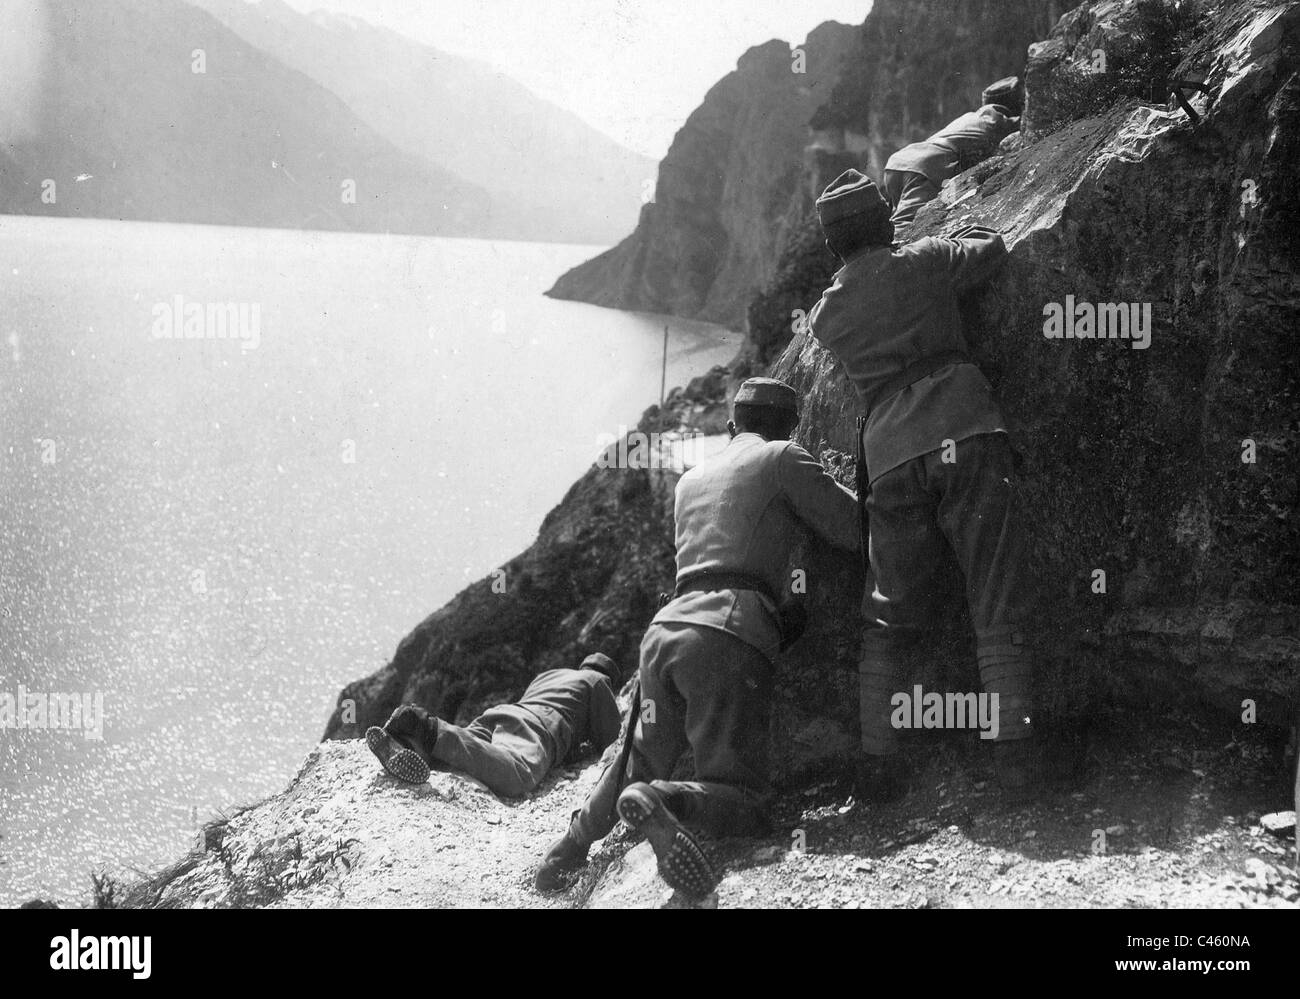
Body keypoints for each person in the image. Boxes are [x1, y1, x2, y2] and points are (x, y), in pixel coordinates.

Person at [535, 378, 860, 897]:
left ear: (732, 425)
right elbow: (851, 528)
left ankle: (565, 851)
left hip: (664, 635)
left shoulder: (691, 478)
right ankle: (667, 799)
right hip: (727, 631)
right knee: (745, 797)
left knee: (637, 754)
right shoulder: (783, 456)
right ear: (788, 427)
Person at [808, 168, 1039, 803]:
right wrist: (969, 228)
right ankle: (1014, 756)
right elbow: (991, 251)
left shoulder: (828, 316)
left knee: (887, 608)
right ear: (884, 223)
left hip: (889, 453)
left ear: (833, 245)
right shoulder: (928, 260)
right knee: (995, 587)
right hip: (963, 426)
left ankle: (880, 763)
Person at [365, 652, 622, 797]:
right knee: (517, 774)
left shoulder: (553, 673)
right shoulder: (598, 682)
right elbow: (612, 739)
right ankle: (424, 726)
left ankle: (408, 741)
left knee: (462, 754)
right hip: (539, 725)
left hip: (507, 714)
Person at [883, 76, 1023, 233]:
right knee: (904, 229)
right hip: (926, 167)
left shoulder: (969, 117)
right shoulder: (994, 118)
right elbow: (1026, 123)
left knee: (894, 225)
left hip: (899, 162)